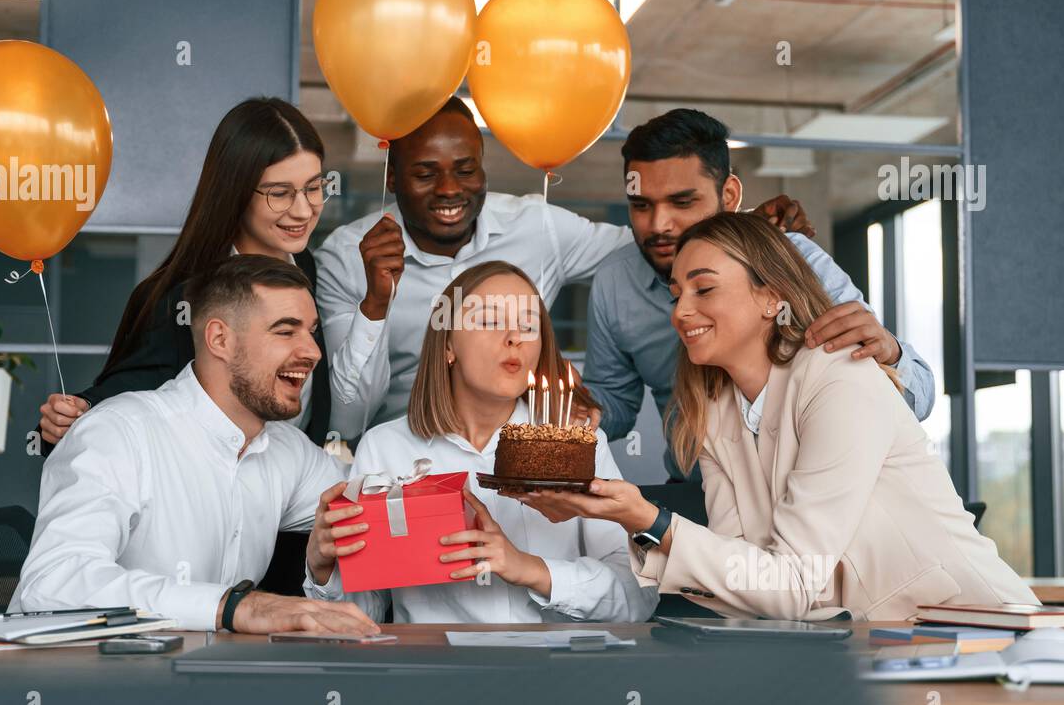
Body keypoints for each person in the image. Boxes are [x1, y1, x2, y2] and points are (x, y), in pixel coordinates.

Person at [516, 214, 1036, 622]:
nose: (680, 311)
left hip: (982, 632)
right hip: (886, 646)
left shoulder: (840, 379)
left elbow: (791, 584)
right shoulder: (713, 412)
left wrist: (647, 519)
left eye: (704, 288)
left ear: (771, 297)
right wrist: (627, 518)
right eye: (676, 294)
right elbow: (750, 582)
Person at [315, 97, 812, 442]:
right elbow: (347, 418)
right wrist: (375, 305)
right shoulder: (345, 255)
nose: (449, 189)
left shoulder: (537, 226)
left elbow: (657, 240)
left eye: (465, 169)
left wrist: (747, 226)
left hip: (513, 455)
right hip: (399, 457)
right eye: (425, 173)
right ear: (393, 176)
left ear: (484, 166)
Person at [11, 256, 380, 635]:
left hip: (198, 681)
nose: (314, 352)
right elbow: (52, 584)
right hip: (80, 680)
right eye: (286, 332)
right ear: (220, 339)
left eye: (312, 331)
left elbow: (374, 513)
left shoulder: (288, 450)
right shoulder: (117, 431)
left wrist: (325, 566)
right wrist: (233, 606)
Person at [580, 108, 935, 480]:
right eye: (641, 205)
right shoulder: (615, 282)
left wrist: (889, 354)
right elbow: (614, 403)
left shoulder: (793, 260)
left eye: (682, 203)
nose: (659, 225)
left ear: (729, 194)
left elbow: (917, 396)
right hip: (697, 490)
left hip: (809, 482)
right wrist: (575, 411)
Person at [302, 260, 657, 624]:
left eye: (528, 325)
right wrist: (323, 568)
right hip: (435, 671)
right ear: (448, 345)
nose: (514, 337)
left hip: (552, 672)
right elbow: (362, 614)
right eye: (488, 321)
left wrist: (529, 569)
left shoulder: (578, 443)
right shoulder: (386, 447)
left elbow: (638, 599)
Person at [37, 97, 334, 451]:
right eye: (280, 194)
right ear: (236, 192)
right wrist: (78, 411)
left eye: (314, 188)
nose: (303, 210)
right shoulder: (183, 296)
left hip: (297, 488)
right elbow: (134, 388)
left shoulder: (306, 266)